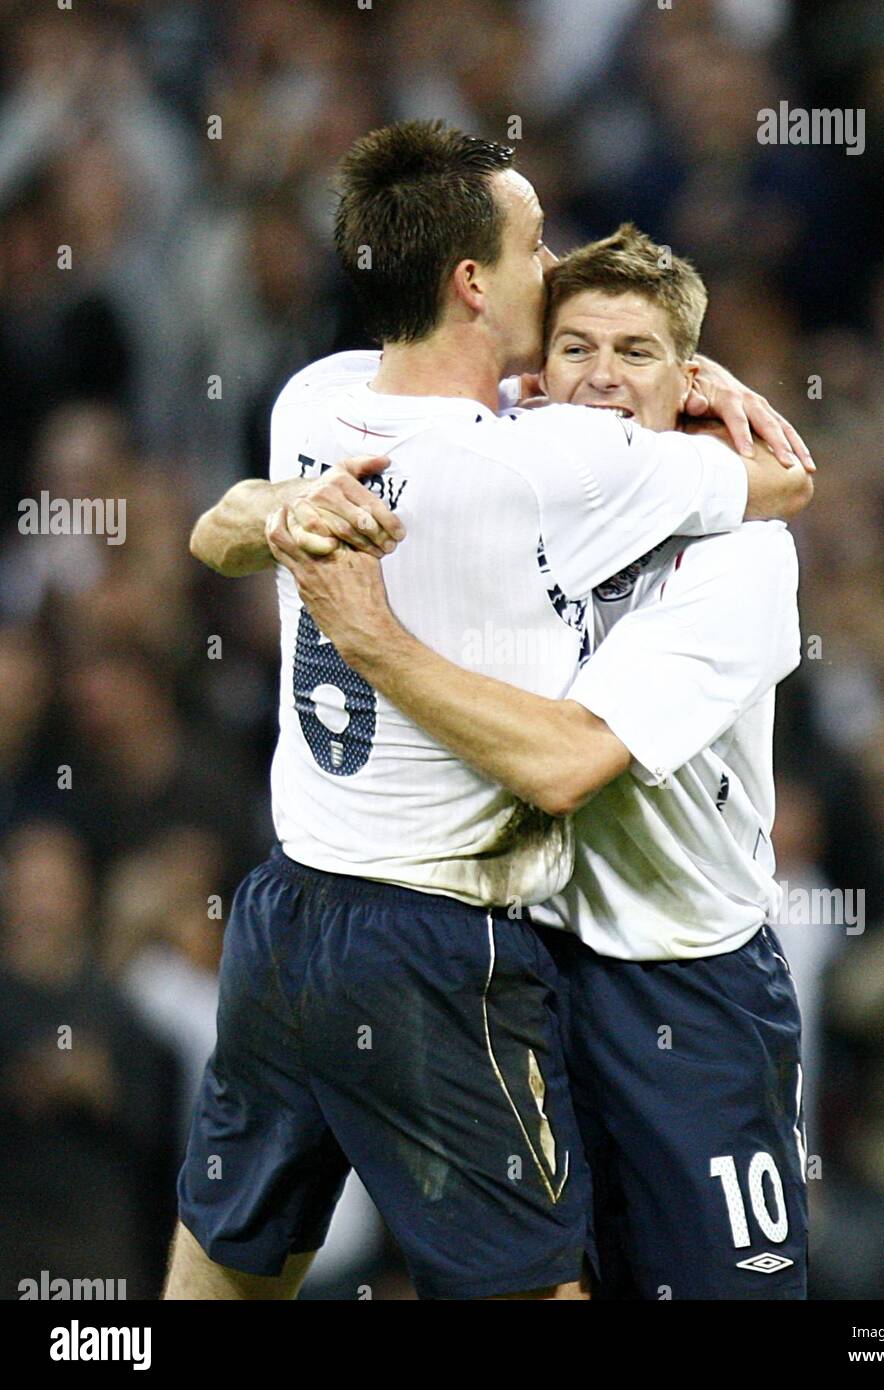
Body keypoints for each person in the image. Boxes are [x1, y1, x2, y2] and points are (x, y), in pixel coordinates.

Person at [172, 120, 812, 1302]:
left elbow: (213, 524)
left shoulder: (314, 402)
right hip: (452, 939)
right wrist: (703, 393)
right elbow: (787, 474)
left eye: (640, 350)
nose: (602, 371)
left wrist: (266, 518)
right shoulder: (549, 462)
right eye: (549, 282)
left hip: (598, 958)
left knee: (227, 1264)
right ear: (478, 287)